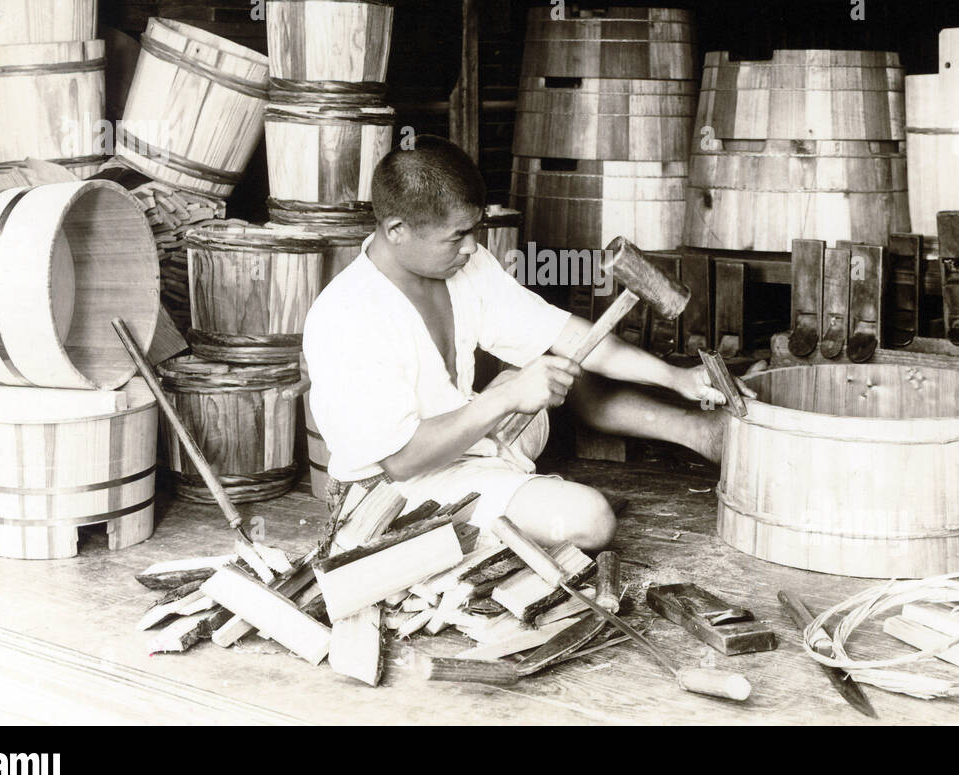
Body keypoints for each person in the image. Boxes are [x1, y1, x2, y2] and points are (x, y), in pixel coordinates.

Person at [302, 136, 740, 552]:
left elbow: (568, 336)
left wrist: (676, 377)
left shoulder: (464, 268)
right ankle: (513, 497)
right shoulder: (347, 316)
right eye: (457, 236)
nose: (473, 247)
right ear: (397, 229)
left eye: (476, 230)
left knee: (553, 360)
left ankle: (697, 432)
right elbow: (402, 460)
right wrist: (508, 396)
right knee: (591, 519)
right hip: (393, 492)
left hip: (470, 438)